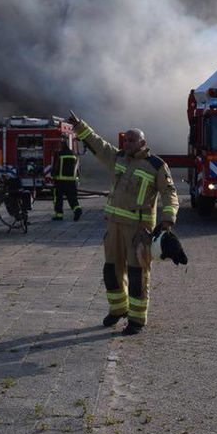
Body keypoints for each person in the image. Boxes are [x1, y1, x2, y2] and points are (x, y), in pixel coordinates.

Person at [69, 112, 178, 335]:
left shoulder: (156, 166)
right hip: (114, 228)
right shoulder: (118, 158)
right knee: (111, 270)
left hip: (138, 231)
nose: (126, 144)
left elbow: (170, 193)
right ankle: (118, 309)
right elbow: (98, 145)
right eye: (125, 140)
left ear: (143, 143)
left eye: (131, 140)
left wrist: (168, 219)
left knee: (138, 274)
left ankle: (137, 320)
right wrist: (80, 126)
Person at [51, 135, 82, 221]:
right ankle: (77, 209)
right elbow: (77, 168)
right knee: (72, 198)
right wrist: (78, 177)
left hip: (60, 181)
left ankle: (59, 215)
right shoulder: (74, 155)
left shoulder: (59, 154)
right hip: (72, 181)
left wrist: (52, 174)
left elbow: (56, 166)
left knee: (58, 198)